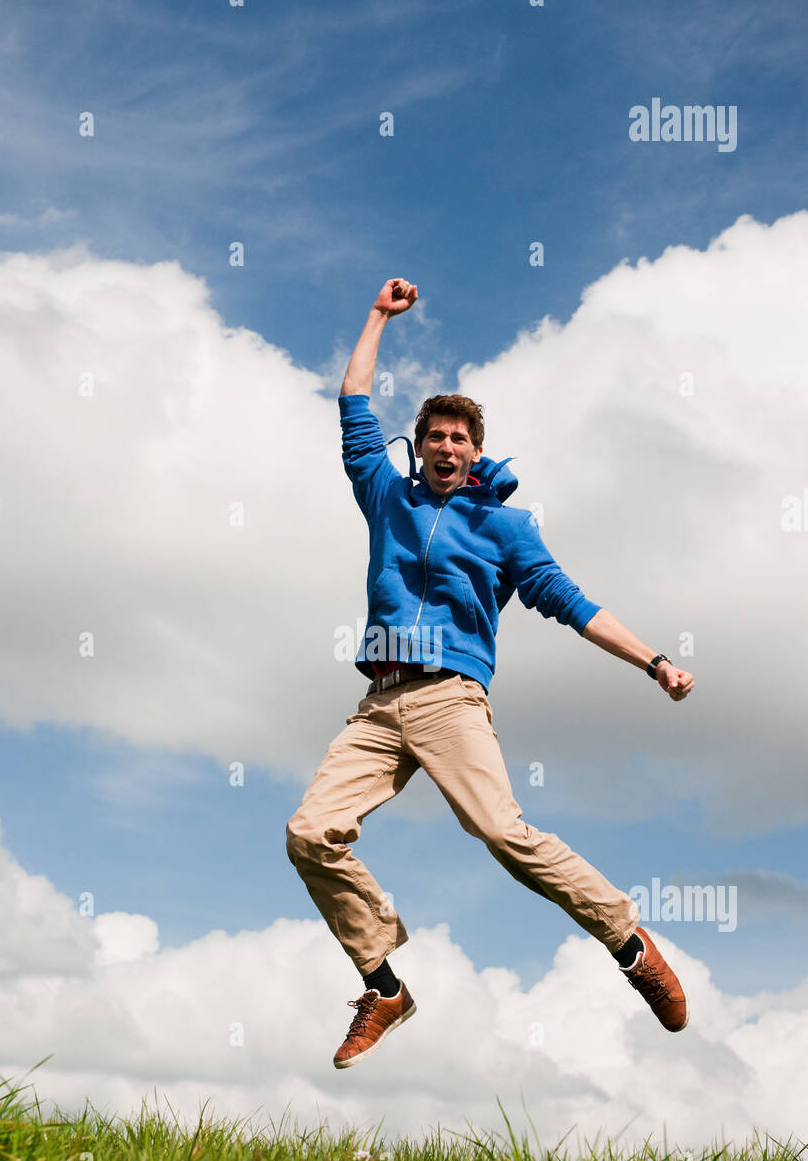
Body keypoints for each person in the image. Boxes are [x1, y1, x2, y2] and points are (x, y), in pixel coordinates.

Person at [286, 277, 694, 1070]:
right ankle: (385, 987)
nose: (446, 447)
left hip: (450, 698)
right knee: (309, 833)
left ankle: (628, 941)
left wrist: (654, 660)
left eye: (460, 439)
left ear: (476, 453)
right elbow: (353, 404)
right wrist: (376, 316)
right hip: (379, 704)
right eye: (434, 435)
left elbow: (570, 601)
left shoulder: (504, 526)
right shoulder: (385, 495)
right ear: (421, 446)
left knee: (502, 834)